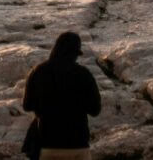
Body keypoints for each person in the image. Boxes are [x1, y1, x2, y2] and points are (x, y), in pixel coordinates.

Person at [22, 32, 101, 160]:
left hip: (48, 144)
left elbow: (27, 105)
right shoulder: (83, 74)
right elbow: (95, 110)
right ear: (75, 53)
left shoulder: (39, 71)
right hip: (78, 145)